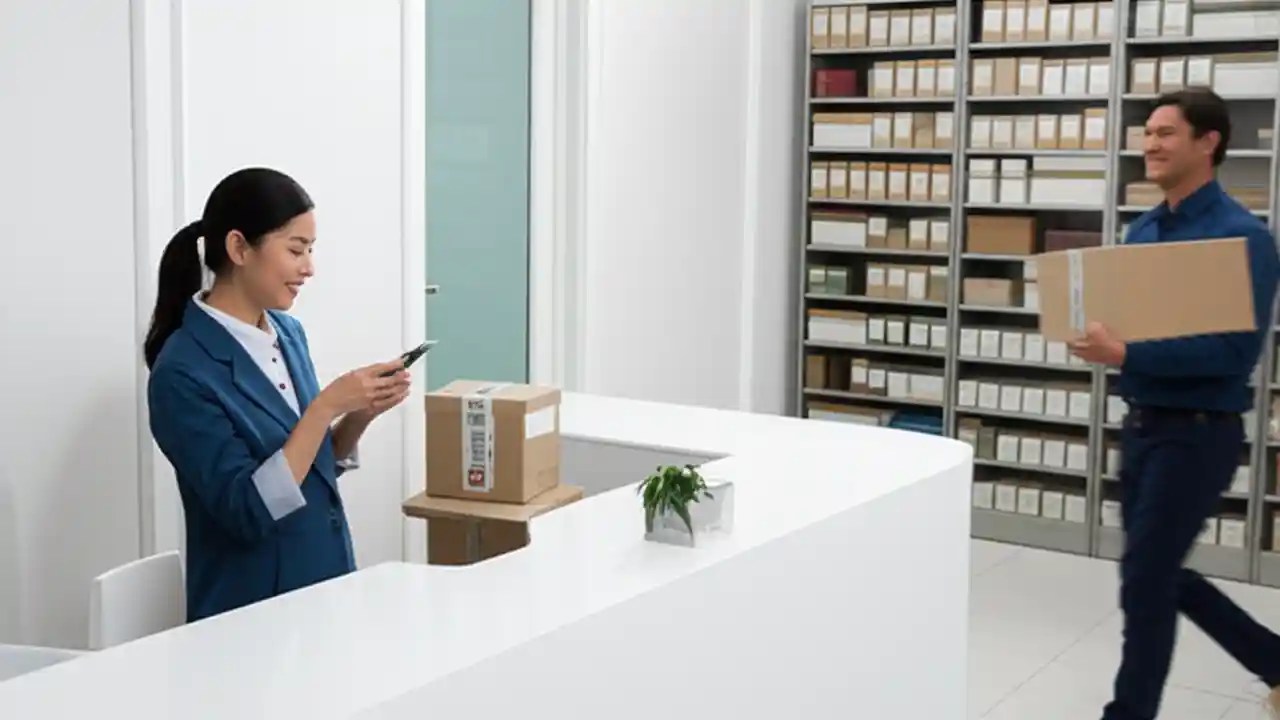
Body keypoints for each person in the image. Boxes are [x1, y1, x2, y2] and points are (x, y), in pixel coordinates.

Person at [1069, 88, 1280, 720]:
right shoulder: (1145, 228)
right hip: (1140, 425)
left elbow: (1231, 354)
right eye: (1148, 133)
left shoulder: (1243, 238)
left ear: (1208, 141)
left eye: (1165, 133)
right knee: (1151, 572)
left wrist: (1127, 355)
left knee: (1146, 584)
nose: (1150, 145)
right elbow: (1130, 325)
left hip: (1198, 433)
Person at [144, 167, 411, 622]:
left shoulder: (288, 332)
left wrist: (359, 414)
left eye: (310, 251)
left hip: (322, 586)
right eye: (296, 250)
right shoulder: (181, 374)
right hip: (252, 612)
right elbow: (248, 509)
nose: (308, 268)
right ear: (238, 248)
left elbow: (306, 467)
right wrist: (326, 405)